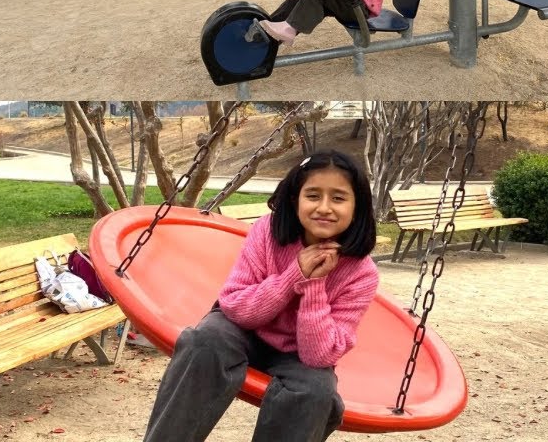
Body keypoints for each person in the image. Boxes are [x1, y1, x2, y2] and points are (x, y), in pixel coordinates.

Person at [143, 151, 380, 442]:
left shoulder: (361, 273)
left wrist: (314, 285)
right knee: (205, 340)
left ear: (357, 207)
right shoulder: (267, 232)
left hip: (300, 352)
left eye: (339, 198)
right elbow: (236, 306)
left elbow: (318, 355)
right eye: (313, 195)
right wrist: (295, 275)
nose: (324, 207)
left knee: (316, 390)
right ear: (295, 200)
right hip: (243, 328)